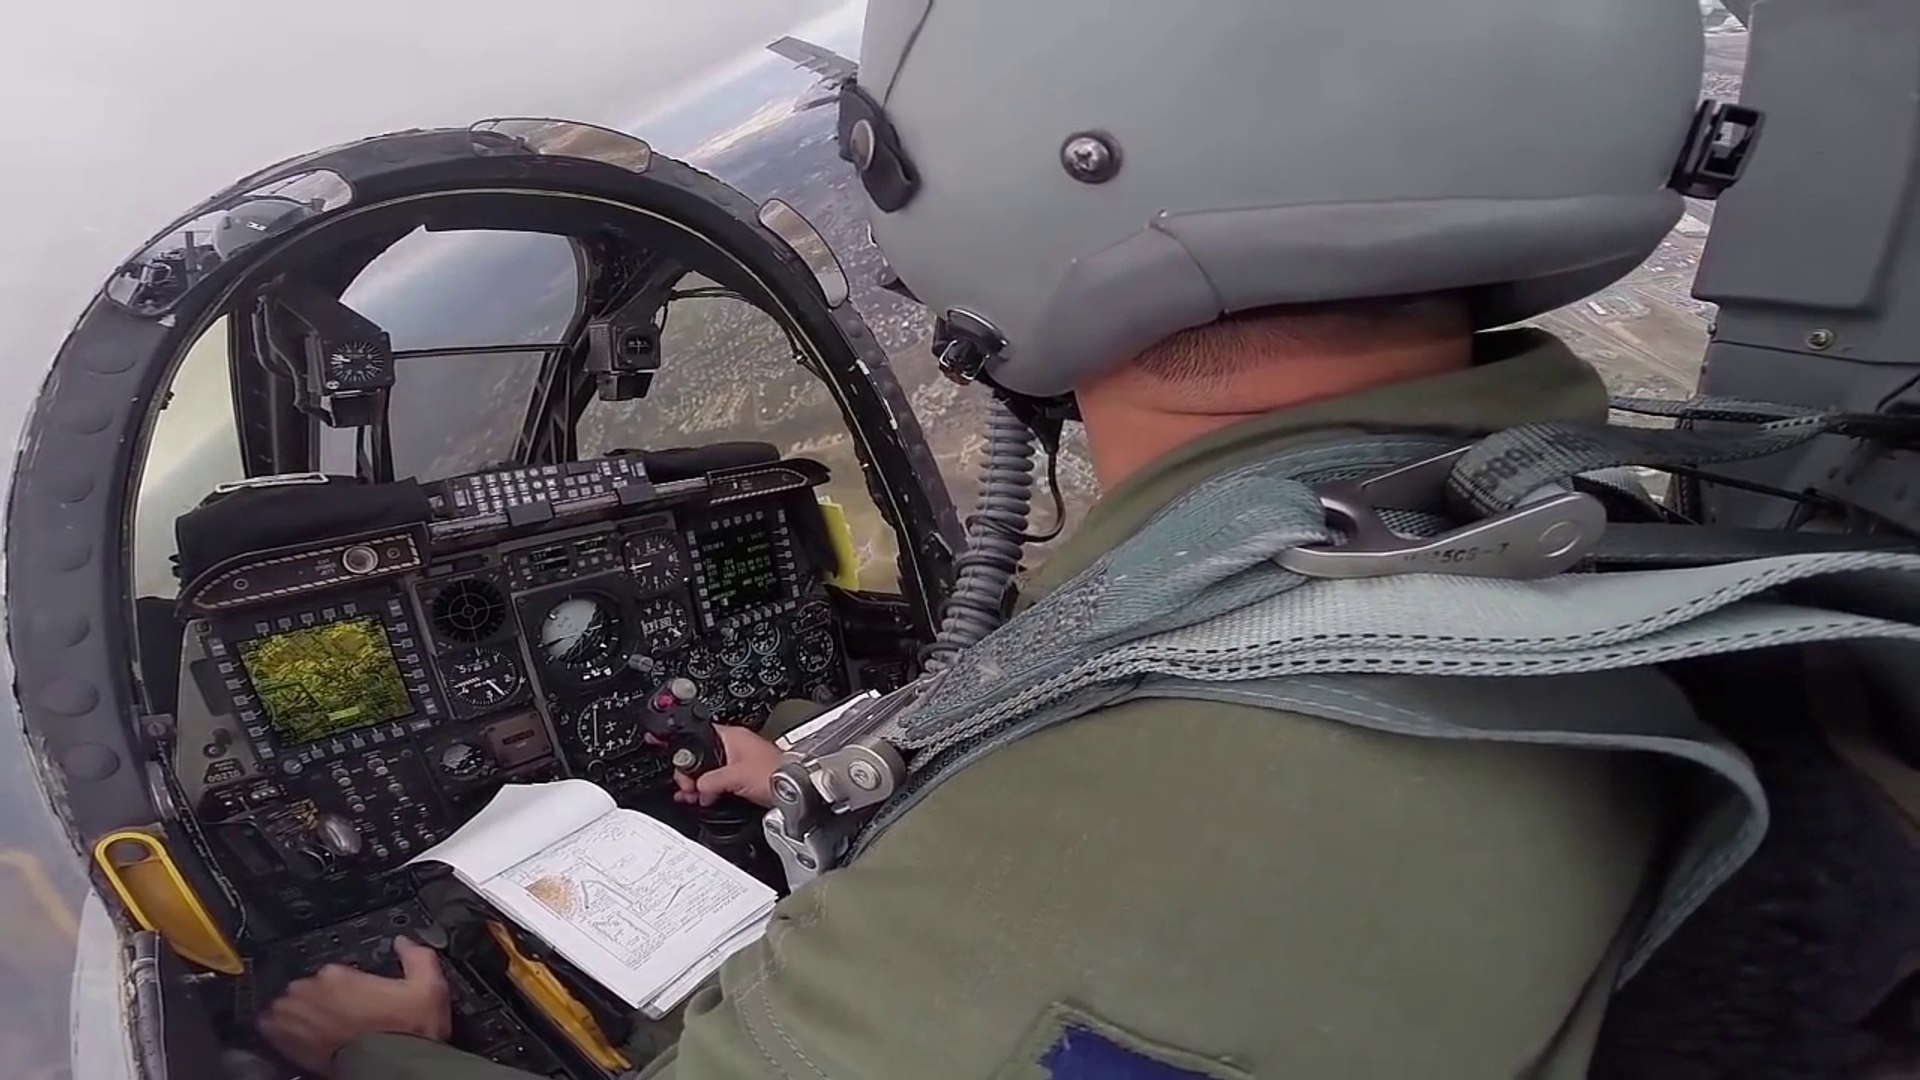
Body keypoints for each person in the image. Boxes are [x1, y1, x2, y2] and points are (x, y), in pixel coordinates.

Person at [261, 0, 1710, 1075]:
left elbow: (1047, 906)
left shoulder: (1100, 860)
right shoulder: (1546, 523)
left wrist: (385, 1046)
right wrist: (829, 779)